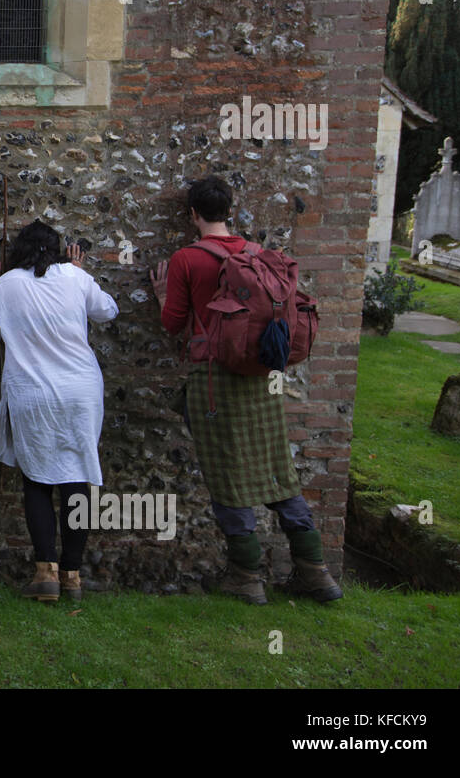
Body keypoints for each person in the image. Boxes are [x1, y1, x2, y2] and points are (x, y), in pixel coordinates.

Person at [149, 176, 342, 604]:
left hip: (214, 380)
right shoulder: (257, 255)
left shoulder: (186, 259)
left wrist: (163, 293)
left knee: (227, 475)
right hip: (260, 379)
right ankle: (317, 573)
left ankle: (246, 578)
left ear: (193, 214)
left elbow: (172, 323)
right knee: (278, 470)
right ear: (230, 209)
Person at [0, 221, 118, 602]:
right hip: (81, 391)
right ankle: (72, 576)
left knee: (36, 479)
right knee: (77, 478)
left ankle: (45, 573)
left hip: (33, 393)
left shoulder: (6, 284)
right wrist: (81, 275)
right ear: (56, 250)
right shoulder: (74, 277)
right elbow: (107, 312)